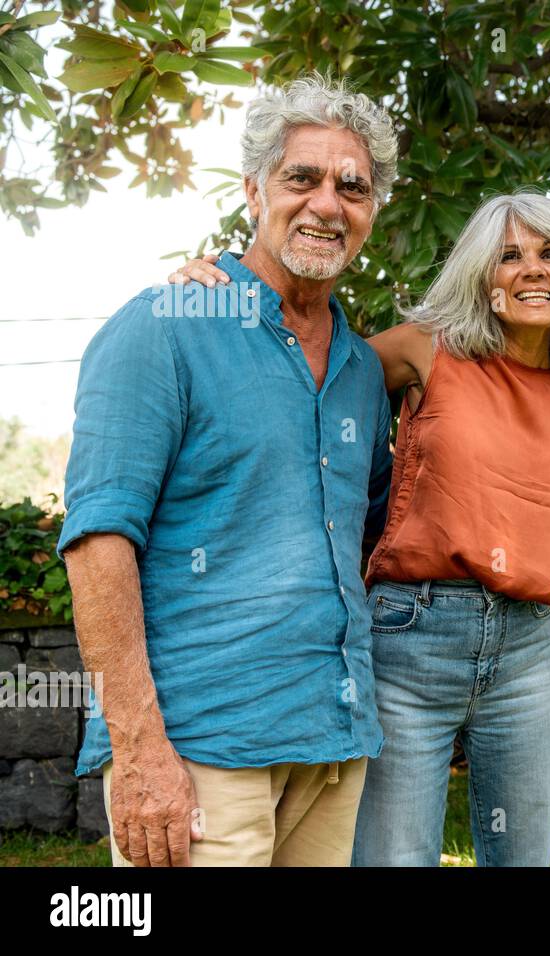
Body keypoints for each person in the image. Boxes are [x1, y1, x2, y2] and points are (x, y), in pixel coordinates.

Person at [167, 190, 550, 867]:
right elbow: (302, 374)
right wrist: (219, 301)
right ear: (481, 276)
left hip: (528, 647)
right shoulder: (429, 351)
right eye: (508, 256)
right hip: (412, 634)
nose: (532, 270)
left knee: (524, 857)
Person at [58, 74, 400, 867]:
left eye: (352, 186)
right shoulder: (163, 328)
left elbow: (368, 536)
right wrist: (140, 753)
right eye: (301, 178)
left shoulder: (359, 368)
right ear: (253, 190)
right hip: (200, 753)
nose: (327, 203)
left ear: (372, 210)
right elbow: (97, 546)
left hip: (332, 747)